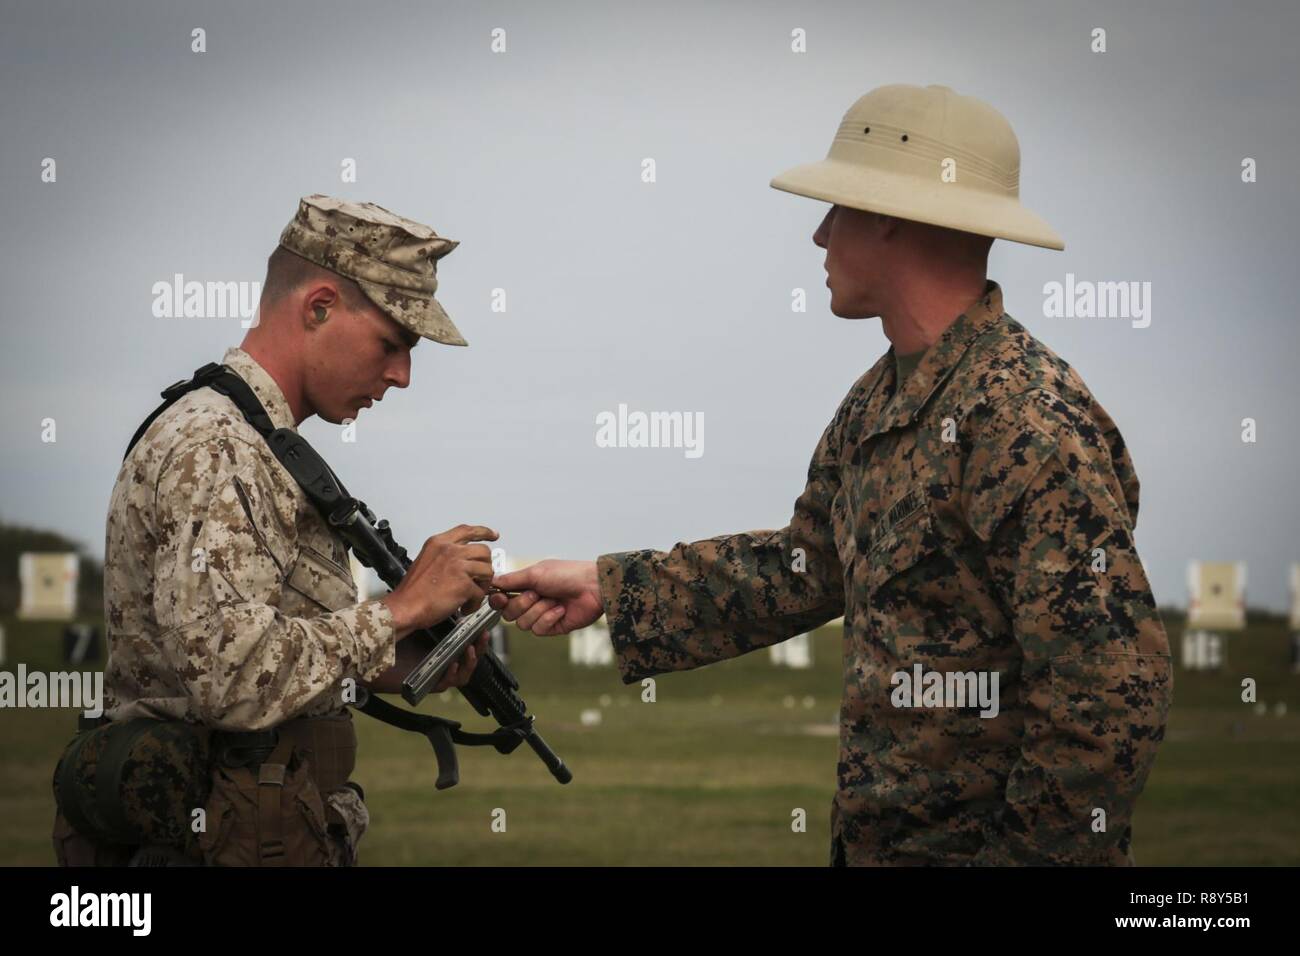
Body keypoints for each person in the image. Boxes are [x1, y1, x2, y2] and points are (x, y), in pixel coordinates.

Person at [490, 85, 1173, 866]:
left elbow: (1110, 692)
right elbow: (803, 565)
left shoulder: (1023, 419)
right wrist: (610, 588)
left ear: (888, 214)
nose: (818, 235)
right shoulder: (879, 402)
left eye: (837, 209)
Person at [54, 194, 498, 867]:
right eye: (392, 342)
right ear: (318, 307)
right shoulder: (218, 446)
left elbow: (254, 652)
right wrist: (399, 611)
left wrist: (394, 662)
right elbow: (232, 680)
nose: (402, 375)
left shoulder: (260, 445)